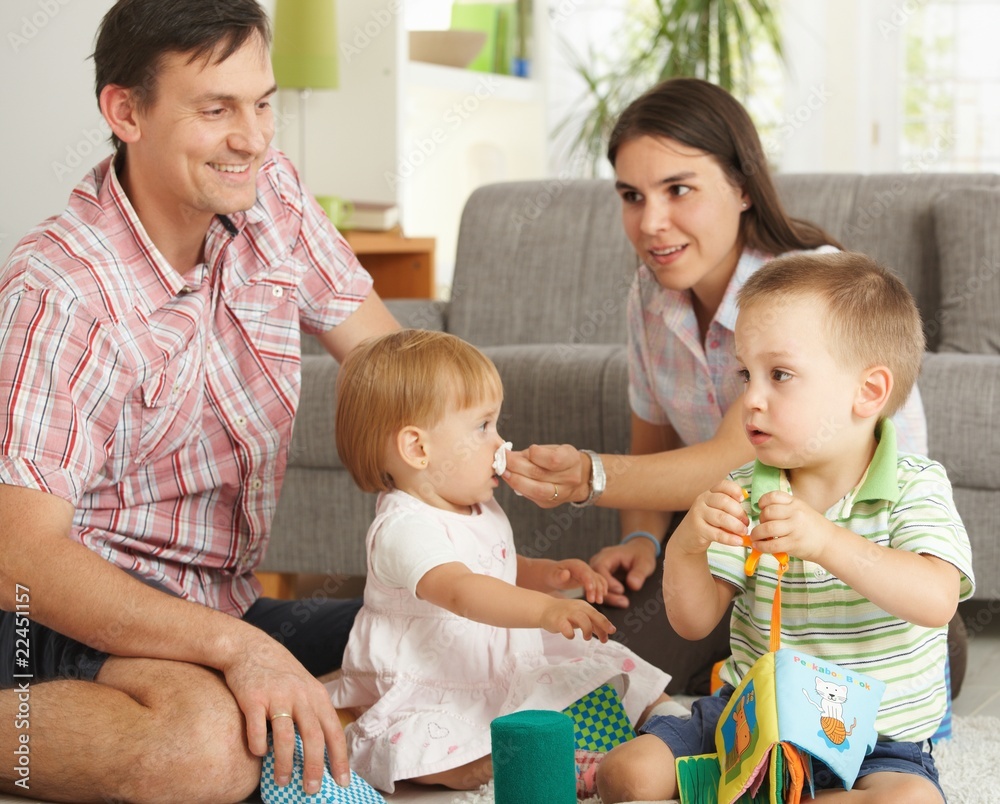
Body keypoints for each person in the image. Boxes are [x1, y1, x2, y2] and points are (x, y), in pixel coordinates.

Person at [0, 1, 398, 801]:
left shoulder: (267, 194)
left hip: (221, 605)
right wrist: (238, 651)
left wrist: (492, 506)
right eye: (216, 110)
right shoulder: (61, 294)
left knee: (457, 644)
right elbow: (23, 558)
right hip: (51, 617)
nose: (252, 138)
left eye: (262, 103)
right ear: (126, 113)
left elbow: (395, 367)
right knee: (209, 748)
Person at [502, 77, 931, 695]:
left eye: (679, 189)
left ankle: (922, 644)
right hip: (736, 551)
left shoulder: (805, 288)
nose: (652, 222)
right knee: (595, 658)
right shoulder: (650, 295)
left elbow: (733, 457)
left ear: (743, 188)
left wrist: (588, 476)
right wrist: (642, 538)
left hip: (850, 555)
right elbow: (652, 443)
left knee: (652, 680)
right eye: (632, 196)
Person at [596, 251, 975, 803]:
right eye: (746, 374)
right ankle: (760, 784)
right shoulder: (746, 488)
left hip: (874, 740)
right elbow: (694, 623)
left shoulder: (915, 485)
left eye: (780, 375)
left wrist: (825, 541)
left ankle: (759, 794)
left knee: (910, 800)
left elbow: (937, 598)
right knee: (625, 775)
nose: (750, 399)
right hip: (749, 720)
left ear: (868, 392)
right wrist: (684, 548)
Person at [326, 329, 671, 793]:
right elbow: (462, 590)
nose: (501, 443)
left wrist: (547, 574)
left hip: (497, 659)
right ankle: (478, 767)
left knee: (596, 667)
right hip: (438, 676)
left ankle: (671, 721)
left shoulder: (475, 504)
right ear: (418, 449)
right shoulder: (403, 528)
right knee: (425, 738)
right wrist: (545, 610)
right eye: (483, 427)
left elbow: (495, 565)